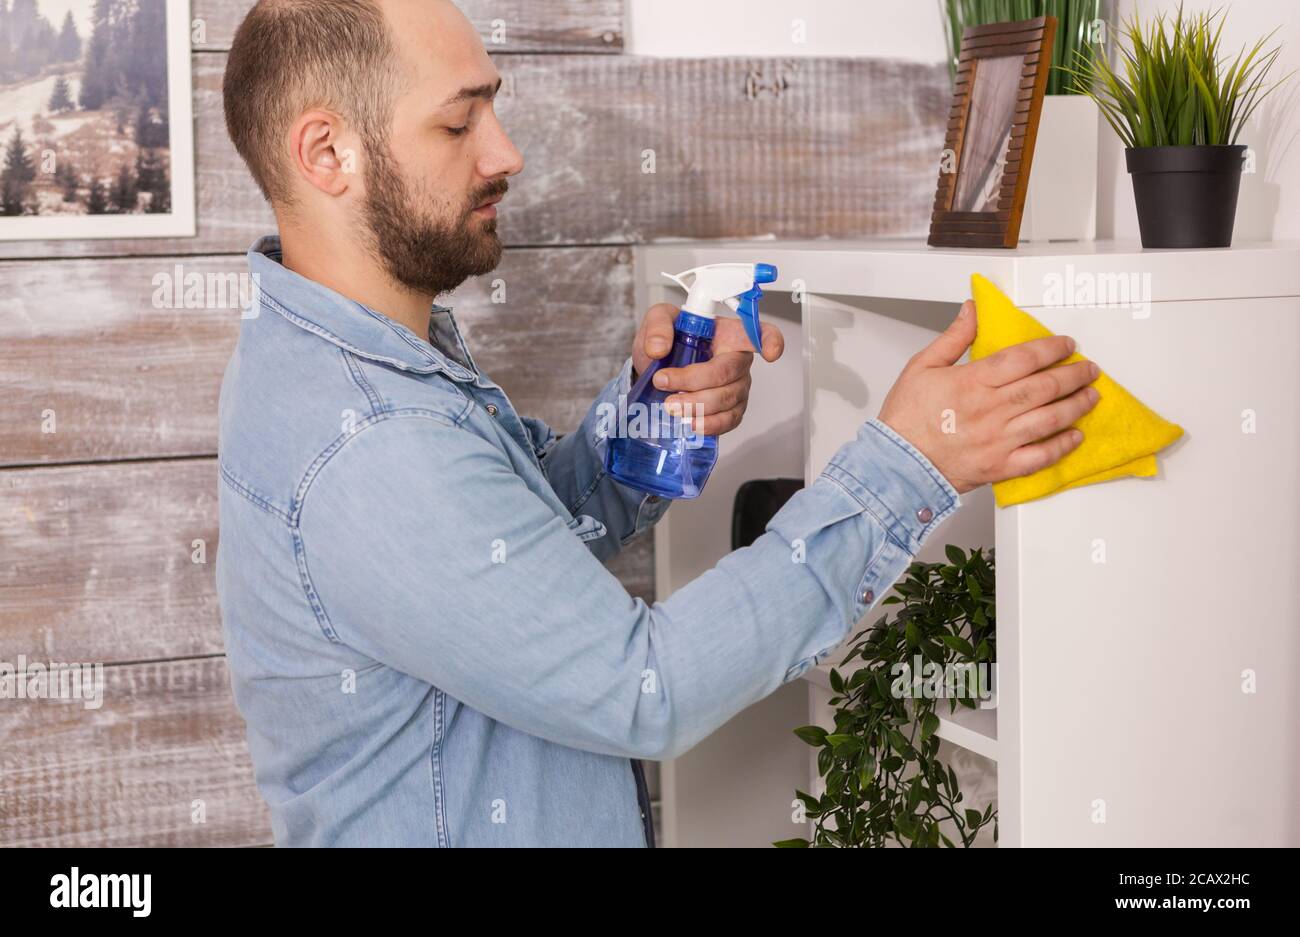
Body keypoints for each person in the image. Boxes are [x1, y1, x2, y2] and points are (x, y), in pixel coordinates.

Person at [217, 0, 1101, 847]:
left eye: (493, 111)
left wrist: (650, 427)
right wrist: (909, 463)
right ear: (326, 152)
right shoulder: (374, 441)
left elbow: (502, 563)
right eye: (458, 124)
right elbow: (647, 688)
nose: (507, 153)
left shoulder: (335, 357)